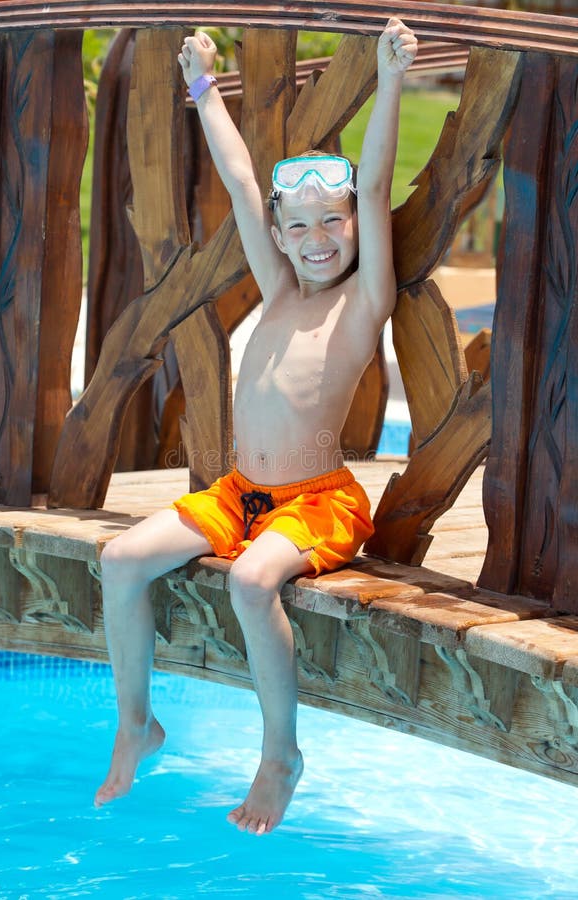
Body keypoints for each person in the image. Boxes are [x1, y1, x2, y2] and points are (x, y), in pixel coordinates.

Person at [94, 18, 418, 835]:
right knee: (120, 560)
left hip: (315, 501)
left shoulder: (361, 302)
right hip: (241, 493)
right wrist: (203, 84)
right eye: (298, 227)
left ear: (352, 228)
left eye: (332, 222)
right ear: (278, 237)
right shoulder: (277, 290)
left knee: (249, 582)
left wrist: (390, 79)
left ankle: (280, 755)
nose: (317, 239)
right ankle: (138, 722)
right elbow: (242, 183)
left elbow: (375, 186)